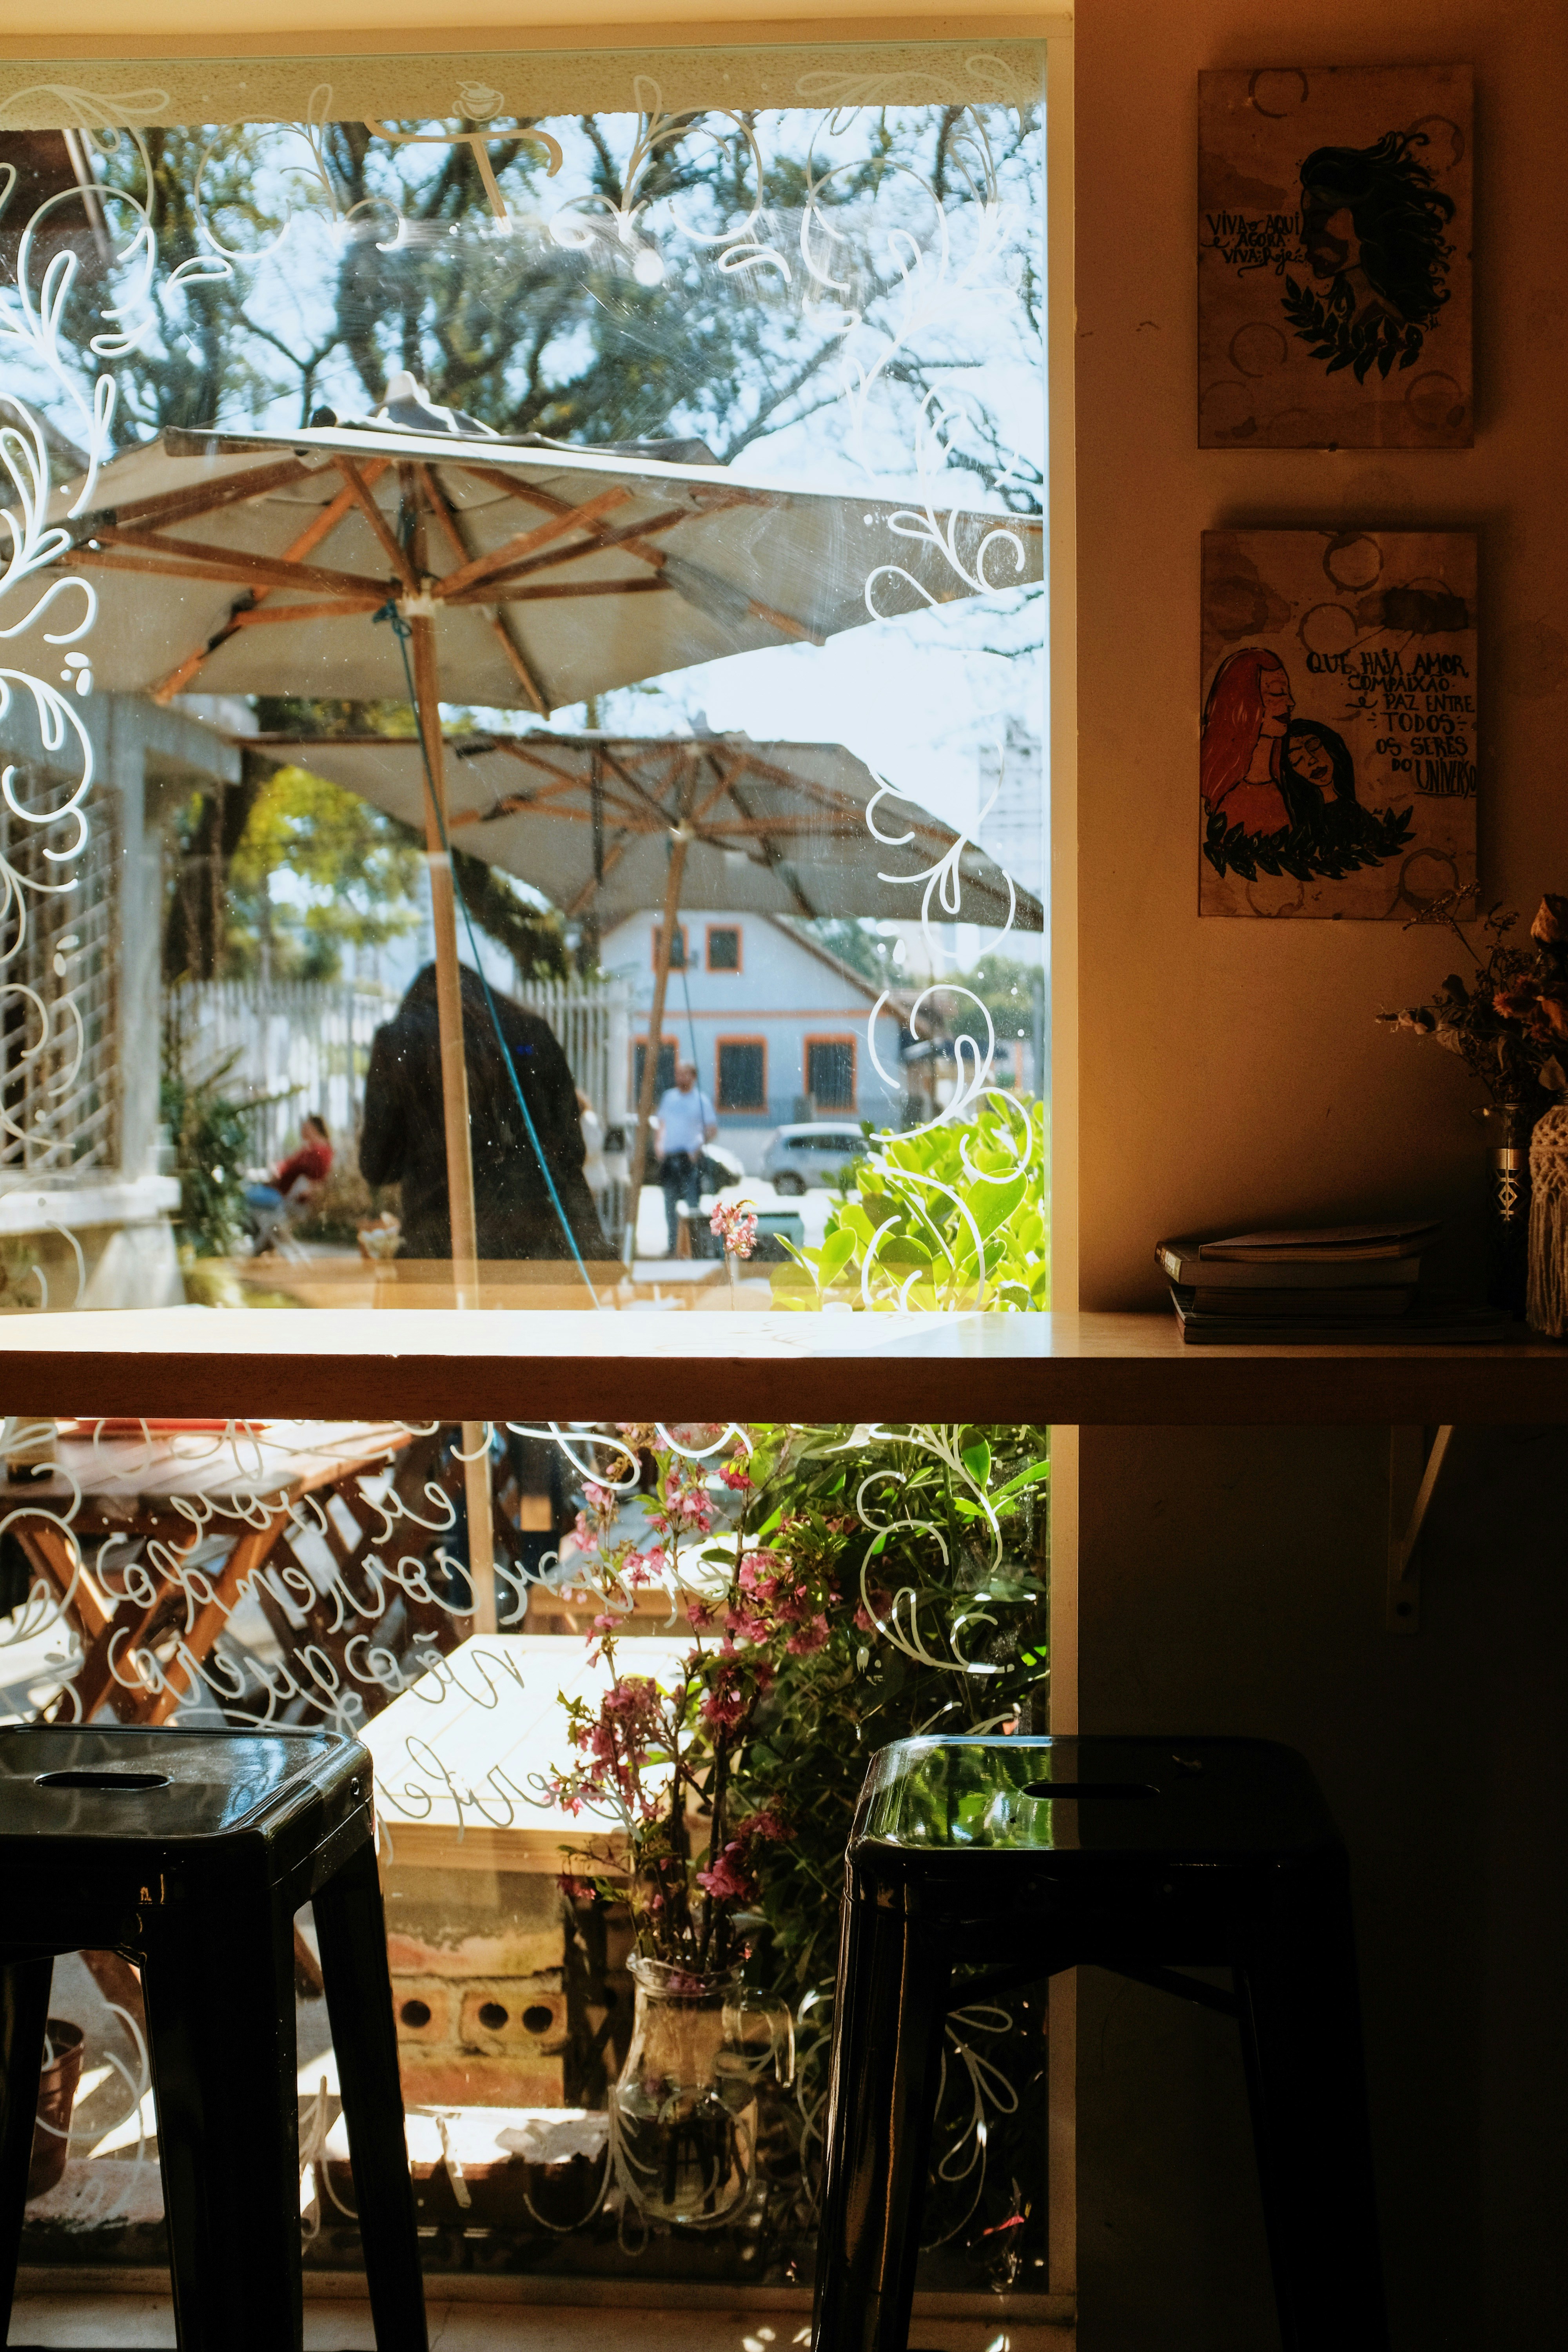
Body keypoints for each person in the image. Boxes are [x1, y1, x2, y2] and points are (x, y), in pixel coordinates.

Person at [359, 963, 615, 1264]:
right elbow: (572, 1149)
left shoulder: (399, 1042)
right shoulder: (530, 1032)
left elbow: (377, 1166)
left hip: (445, 1244)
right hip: (541, 1243)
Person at [1200, 648, 1294, 836]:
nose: (1291, 702)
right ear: (1243, 703)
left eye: (1287, 693)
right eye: (1277, 693)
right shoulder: (1232, 800)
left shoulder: (1288, 789)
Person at [654, 1061, 716, 1257]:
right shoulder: (669, 1098)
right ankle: (673, 1247)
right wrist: (659, 1145)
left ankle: (692, 1248)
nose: (681, 1078)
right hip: (670, 1157)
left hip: (689, 1158)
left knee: (692, 1205)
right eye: (678, 1074)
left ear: (693, 1077)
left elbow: (712, 1129)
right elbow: (661, 1124)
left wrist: (697, 1148)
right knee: (669, 1204)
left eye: (685, 1074)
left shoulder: (701, 1100)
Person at [245, 1114, 332, 1251]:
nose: (302, 1129)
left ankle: (257, 1246)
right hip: (290, 1199)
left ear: (314, 1129)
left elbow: (290, 1169)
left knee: (243, 1196)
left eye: (306, 1126)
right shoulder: (320, 1151)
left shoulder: (314, 1153)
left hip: (284, 1200)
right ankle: (264, 1244)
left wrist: (276, 1170)